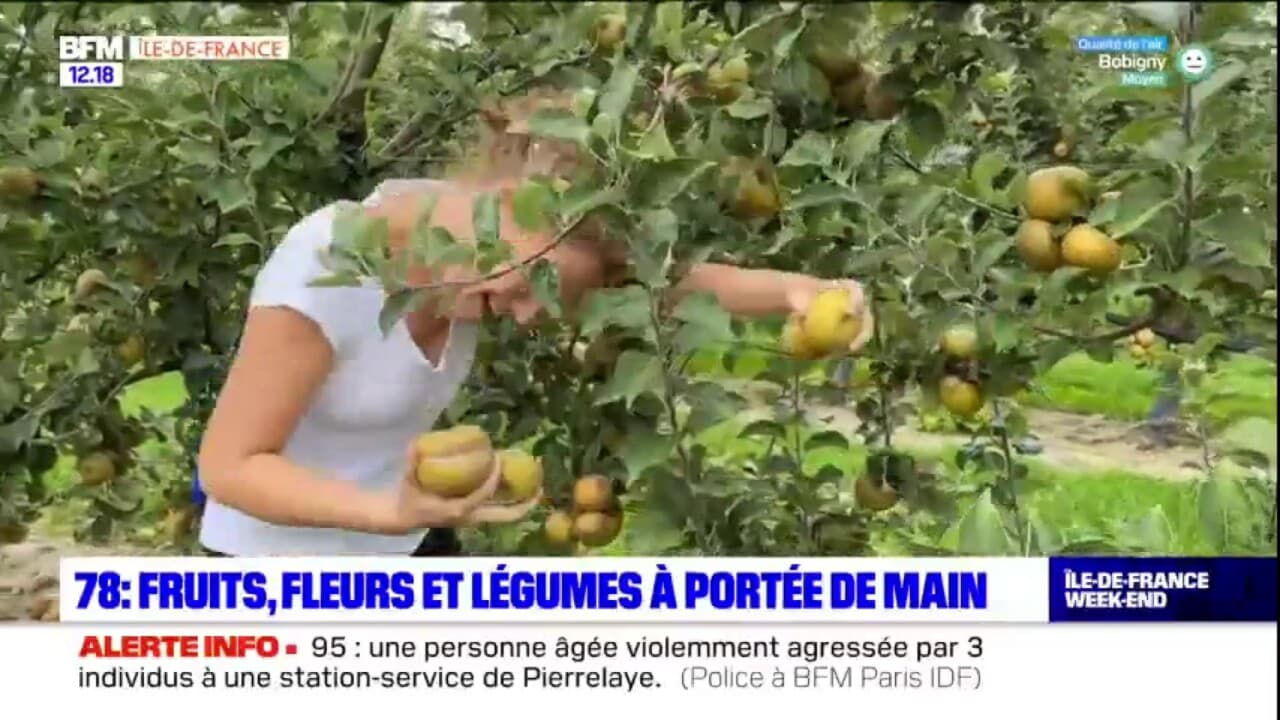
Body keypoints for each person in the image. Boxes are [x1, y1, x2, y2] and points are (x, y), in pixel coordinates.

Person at [196, 87, 875, 557]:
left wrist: (802, 290)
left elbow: (663, 283)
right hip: (275, 566)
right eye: (530, 288)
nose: (524, 318)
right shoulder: (329, 265)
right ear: (511, 203)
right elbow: (230, 467)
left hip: (408, 542)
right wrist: (390, 512)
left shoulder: (481, 236)